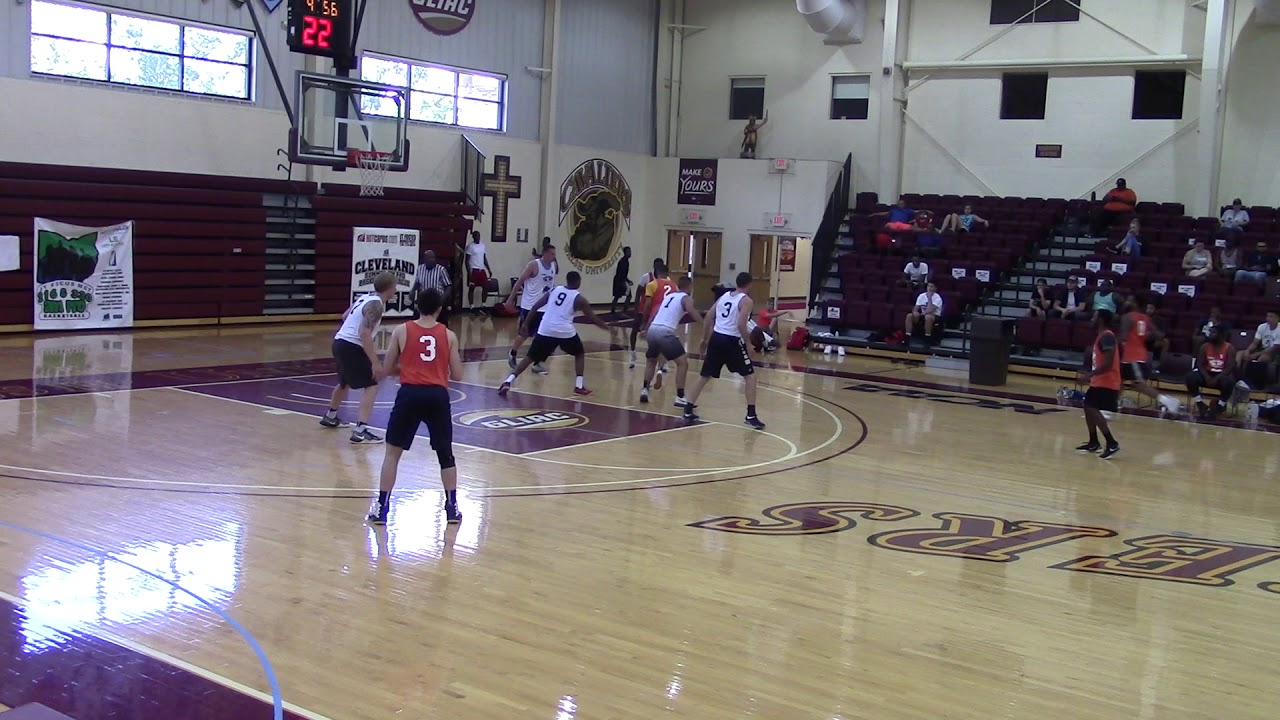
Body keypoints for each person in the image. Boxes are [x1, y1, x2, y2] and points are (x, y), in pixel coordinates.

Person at [366, 288, 463, 526]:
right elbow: (458, 374)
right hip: (437, 396)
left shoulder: (401, 330)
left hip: (410, 393)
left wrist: (410, 367)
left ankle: (382, 508)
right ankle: (452, 508)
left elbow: (387, 368)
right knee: (445, 454)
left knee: (392, 453)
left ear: (417, 306)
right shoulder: (448, 335)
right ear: (440, 309)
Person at [499, 272, 612, 397]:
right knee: (579, 353)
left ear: (567, 280)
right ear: (578, 281)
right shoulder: (579, 299)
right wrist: (607, 328)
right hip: (564, 331)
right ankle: (579, 386)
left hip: (545, 328)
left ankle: (508, 381)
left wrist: (525, 324)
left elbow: (535, 307)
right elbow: (592, 318)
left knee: (529, 357)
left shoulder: (554, 290)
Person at [681, 272, 765, 429]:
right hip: (731, 341)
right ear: (750, 284)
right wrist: (748, 344)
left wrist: (704, 340)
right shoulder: (746, 301)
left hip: (716, 338)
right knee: (750, 376)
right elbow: (741, 324)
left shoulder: (724, 296)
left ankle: (687, 409)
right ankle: (751, 415)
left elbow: (708, 318)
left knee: (704, 376)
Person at [320, 272, 397, 444]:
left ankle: (330, 416)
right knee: (371, 386)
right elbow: (364, 333)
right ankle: (360, 431)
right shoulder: (376, 305)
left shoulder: (365, 298)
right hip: (351, 345)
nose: (396, 290)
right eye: (395, 287)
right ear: (390, 289)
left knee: (344, 381)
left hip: (339, 341)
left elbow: (345, 316)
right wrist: (375, 362)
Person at [638, 275, 703, 405]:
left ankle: (645, 390)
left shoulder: (669, 297)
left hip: (653, 329)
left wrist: (646, 327)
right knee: (682, 362)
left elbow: (656, 312)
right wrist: (704, 323)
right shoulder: (686, 298)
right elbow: (691, 311)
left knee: (651, 361)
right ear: (690, 287)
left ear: (678, 286)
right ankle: (679, 396)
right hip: (665, 332)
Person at [1118, 298, 1181, 414]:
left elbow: (1123, 336)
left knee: (1139, 385)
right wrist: (1146, 335)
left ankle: (1167, 401)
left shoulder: (1127, 317)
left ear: (1135, 304)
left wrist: (1120, 339)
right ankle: (1112, 404)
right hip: (1139, 355)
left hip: (1132, 357)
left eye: (1129, 300)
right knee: (1119, 380)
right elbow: (1160, 335)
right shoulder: (1145, 318)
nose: (1126, 302)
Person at [504, 244, 559, 375]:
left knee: (543, 336)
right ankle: (512, 353)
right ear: (544, 254)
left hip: (545, 307)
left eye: (554, 254)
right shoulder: (533, 265)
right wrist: (510, 299)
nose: (554, 256)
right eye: (552, 254)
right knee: (524, 334)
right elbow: (519, 282)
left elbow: (550, 285)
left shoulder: (553, 266)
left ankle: (537, 363)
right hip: (530, 306)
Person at [1076, 309, 1121, 459]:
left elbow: (1108, 362)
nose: (1092, 318)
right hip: (1100, 380)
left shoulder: (1107, 336)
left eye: (1094, 316)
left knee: (1091, 407)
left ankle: (1111, 442)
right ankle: (1094, 441)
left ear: (1101, 319)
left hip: (1107, 380)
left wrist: (1089, 374)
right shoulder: (1102, 336)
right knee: (1088, 407)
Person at [1187, 324, 1236, 420]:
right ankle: (1200, 404)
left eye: (1213, 332)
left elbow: (1230, 367)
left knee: (1229, 382)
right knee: (1190, 377)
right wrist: (1207, 377)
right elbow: (1200, 364)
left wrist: (1217, 378)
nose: (1210, 334)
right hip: (1207, 374)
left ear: (1221, 335)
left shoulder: (1229, 348)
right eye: (1210, 332)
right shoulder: (1204, 346)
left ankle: (1220, 406)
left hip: (1221, 375)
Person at [629, 257, 664, 368]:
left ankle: (662, 362)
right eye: (657, 266)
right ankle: (633, 354)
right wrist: (636, 309)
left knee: (659, 335)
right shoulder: (646, 277)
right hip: (643, 308)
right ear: (654, 266)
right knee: (635, 330)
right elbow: (638, 293)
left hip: (656, 311)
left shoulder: (665, 279)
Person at [413, 249, 452, 324]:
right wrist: (412, 291)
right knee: (422, 323)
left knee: (441, 324)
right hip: (424, 301)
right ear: (425, 259)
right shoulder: (420, 269)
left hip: (437, 300)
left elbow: (449, 286)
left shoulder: (441, 270)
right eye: (430, 258)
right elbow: (417, 283)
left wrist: (442, 299)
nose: (432, 260)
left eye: (433, 258)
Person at [464, 231, 493, 313]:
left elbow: (484, 258)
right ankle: (471, 306)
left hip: (481, 269)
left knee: (486, 286)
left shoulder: (482, 245)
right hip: (474, 269)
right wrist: (469, 272)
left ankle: (483, 304)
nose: (478, 237)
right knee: (472, 288)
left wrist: (488, 269)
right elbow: (466, 260)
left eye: (479, 235)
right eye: (476, 236)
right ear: (473, 237)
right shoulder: (470, 246)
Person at [610, 246, 633, 315]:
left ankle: (613, 311)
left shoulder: (625, 261)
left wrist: (628, 280)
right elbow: (621, 273)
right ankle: (623, 311)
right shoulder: (623, 262)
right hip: (620, 281)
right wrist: (624, 282)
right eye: (628, 252)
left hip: (620, 280)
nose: (630, 253)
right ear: (625, 253)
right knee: (627, 296)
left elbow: (624, 274)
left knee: (618, 296)